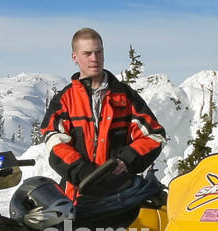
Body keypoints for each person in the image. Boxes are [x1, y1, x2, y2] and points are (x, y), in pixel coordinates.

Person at [41, 28, 165, 200]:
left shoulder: (125, 96)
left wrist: (126, 160)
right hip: (77, 197)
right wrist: (86, 174)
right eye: (87, 53)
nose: (94, 58)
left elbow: (154, 136)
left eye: (99, 52)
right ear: (74, 57)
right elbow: (55, 141)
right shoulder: (64, 100)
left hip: (120, 195)